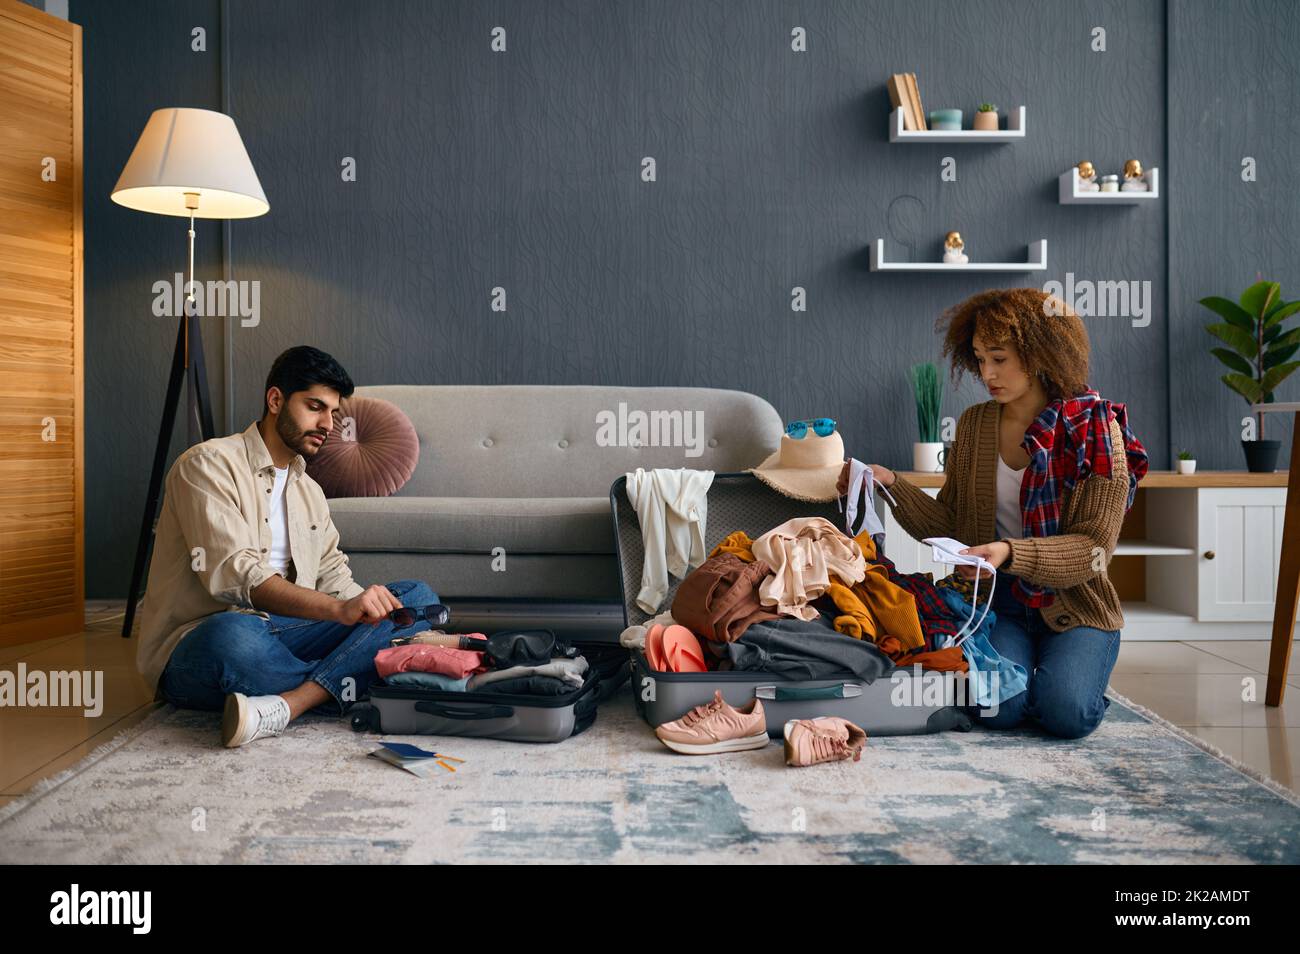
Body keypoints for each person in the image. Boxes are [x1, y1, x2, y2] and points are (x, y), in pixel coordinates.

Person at [864, 288, 1148, 739]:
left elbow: (1094, 548)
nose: (986, 373)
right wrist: (891, 485)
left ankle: (1067, 679)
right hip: (999, 605)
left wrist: (1009, 552)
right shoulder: (976, 425)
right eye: (979, 359)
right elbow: (950, 524)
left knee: (1066, 714)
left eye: (999, 358)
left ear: (1040, 354)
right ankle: (1033, 681)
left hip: (1075, 604)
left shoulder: (1095, 430)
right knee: (1002, 711)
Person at [136, 345, 440, 747]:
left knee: (416, 599)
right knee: (234, 635)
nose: (327, 424)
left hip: (288, 636)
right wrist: (344, 616)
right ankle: (366, 675)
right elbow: (236, 576)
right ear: (276, 400)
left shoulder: (310, 491)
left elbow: (336, 579)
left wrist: (370, 612)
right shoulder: (206, 464)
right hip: (207, 642)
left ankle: (292, 703)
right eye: (315, 407)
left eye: (333, 412)